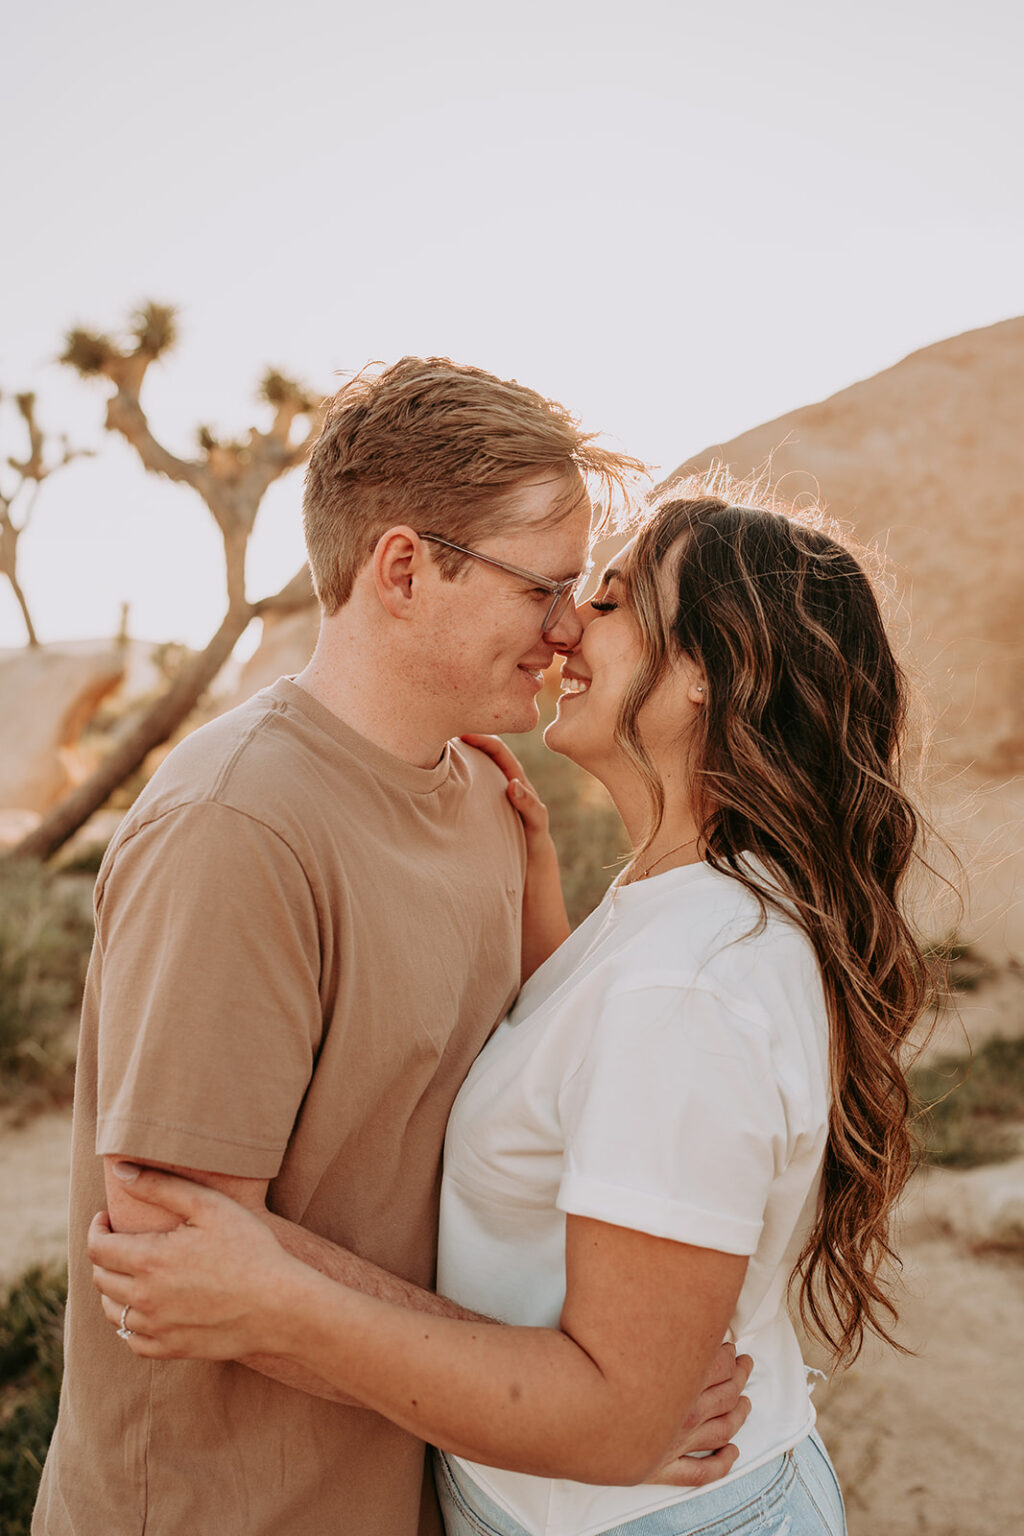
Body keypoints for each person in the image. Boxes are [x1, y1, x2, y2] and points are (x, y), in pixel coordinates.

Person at [88, 489, 936, 1536]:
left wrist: (275, 1298)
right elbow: (580, 1089)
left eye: (614, 602)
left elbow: (619, 1417)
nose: (567, 624)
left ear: (713, 673)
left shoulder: (689, 983)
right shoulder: (676, 898)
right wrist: (532, 888)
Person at [34, 365, 751, 1536]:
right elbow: (175, 1251)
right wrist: (581, 1405)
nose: (570, 627)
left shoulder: (482, 795)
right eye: (544, 587)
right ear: (405, 569)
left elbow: (535, 1106)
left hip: (408, 1487)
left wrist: (585, 1394)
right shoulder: (238, 826)